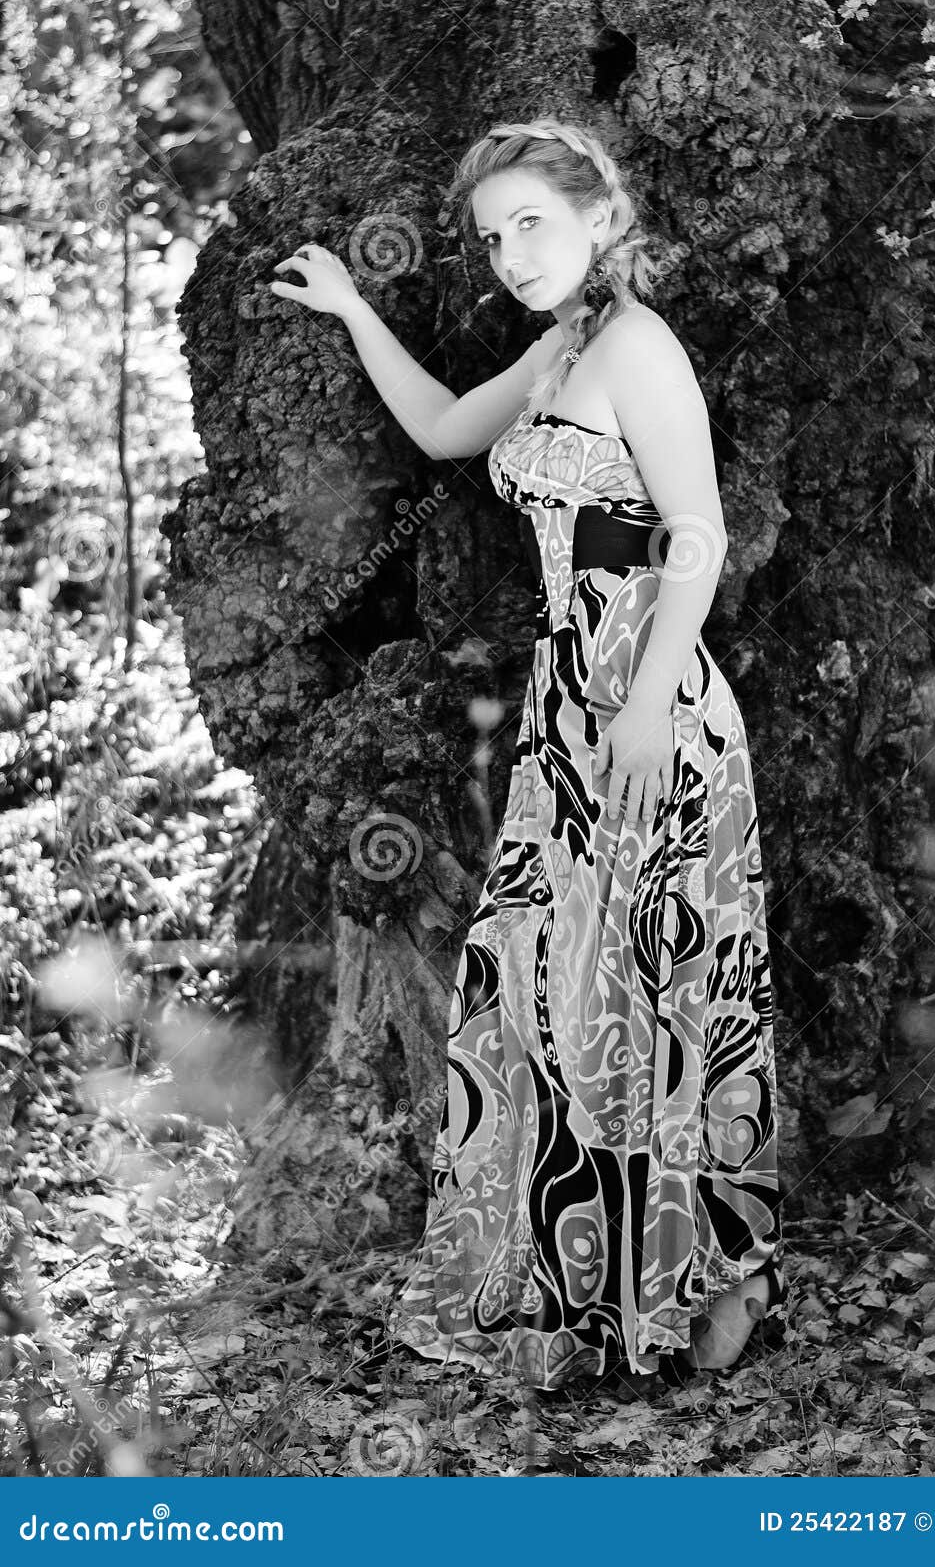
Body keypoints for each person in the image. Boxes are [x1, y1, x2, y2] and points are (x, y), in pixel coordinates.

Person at [270, 116, 786, 1393]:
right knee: (563, 995)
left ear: (602, 215)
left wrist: (652, 703)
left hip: (648, 698)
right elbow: (448, 431)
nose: (508, 253)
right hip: (568, 696)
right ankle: (595, 1279)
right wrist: (350, 310)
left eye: (531, 224)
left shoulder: (639, 345)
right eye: (492, 236)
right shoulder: (560, 346)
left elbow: (701, 536)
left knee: (653, 988)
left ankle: (719, 1275)